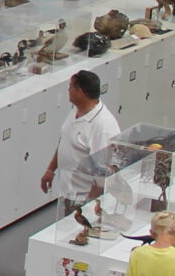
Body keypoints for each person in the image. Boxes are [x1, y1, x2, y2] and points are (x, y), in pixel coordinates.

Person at [43, 70, 120, 199]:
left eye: (71, 86)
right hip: (68, 194)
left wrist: (88, 206)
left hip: (83, 200)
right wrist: (50, 170)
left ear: (81, 91)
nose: (68, 90)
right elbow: (65, 140)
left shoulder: (103, 126)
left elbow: (103, 171)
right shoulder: (76, 111)